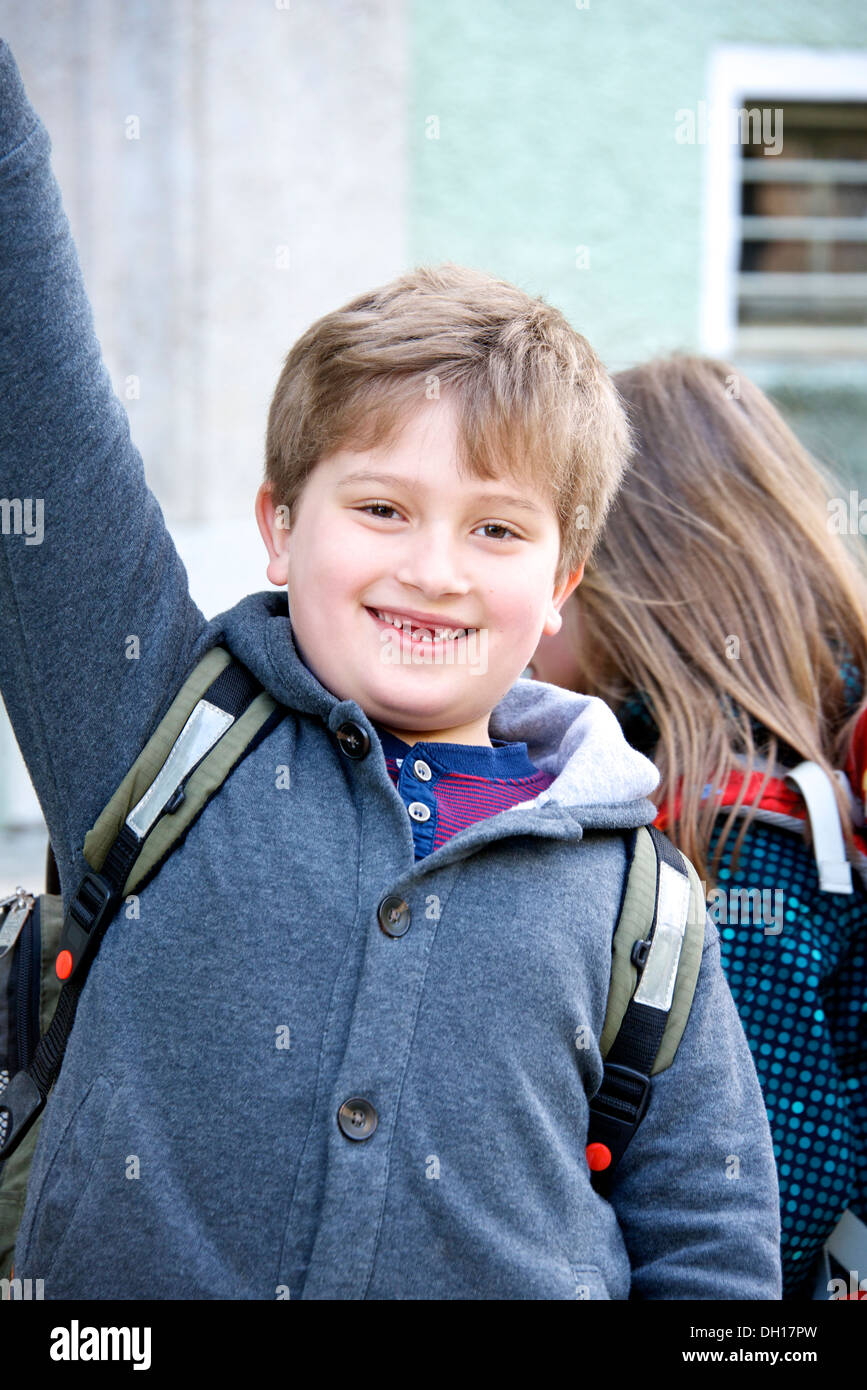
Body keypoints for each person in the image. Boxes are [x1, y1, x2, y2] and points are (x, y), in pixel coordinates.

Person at [0, 41, 780, 1299]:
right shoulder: (152, 726)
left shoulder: (647, 906)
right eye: (380, 506)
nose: (436, 568)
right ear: (277, 524)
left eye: (497, 528)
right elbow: (26, 386)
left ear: (563, 579)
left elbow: (715, 1257)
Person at [530, 353, 867, 1300]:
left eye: (558, 558)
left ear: (635, 584)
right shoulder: (820, 770)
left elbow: (766, 1194)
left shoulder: (735, 833)